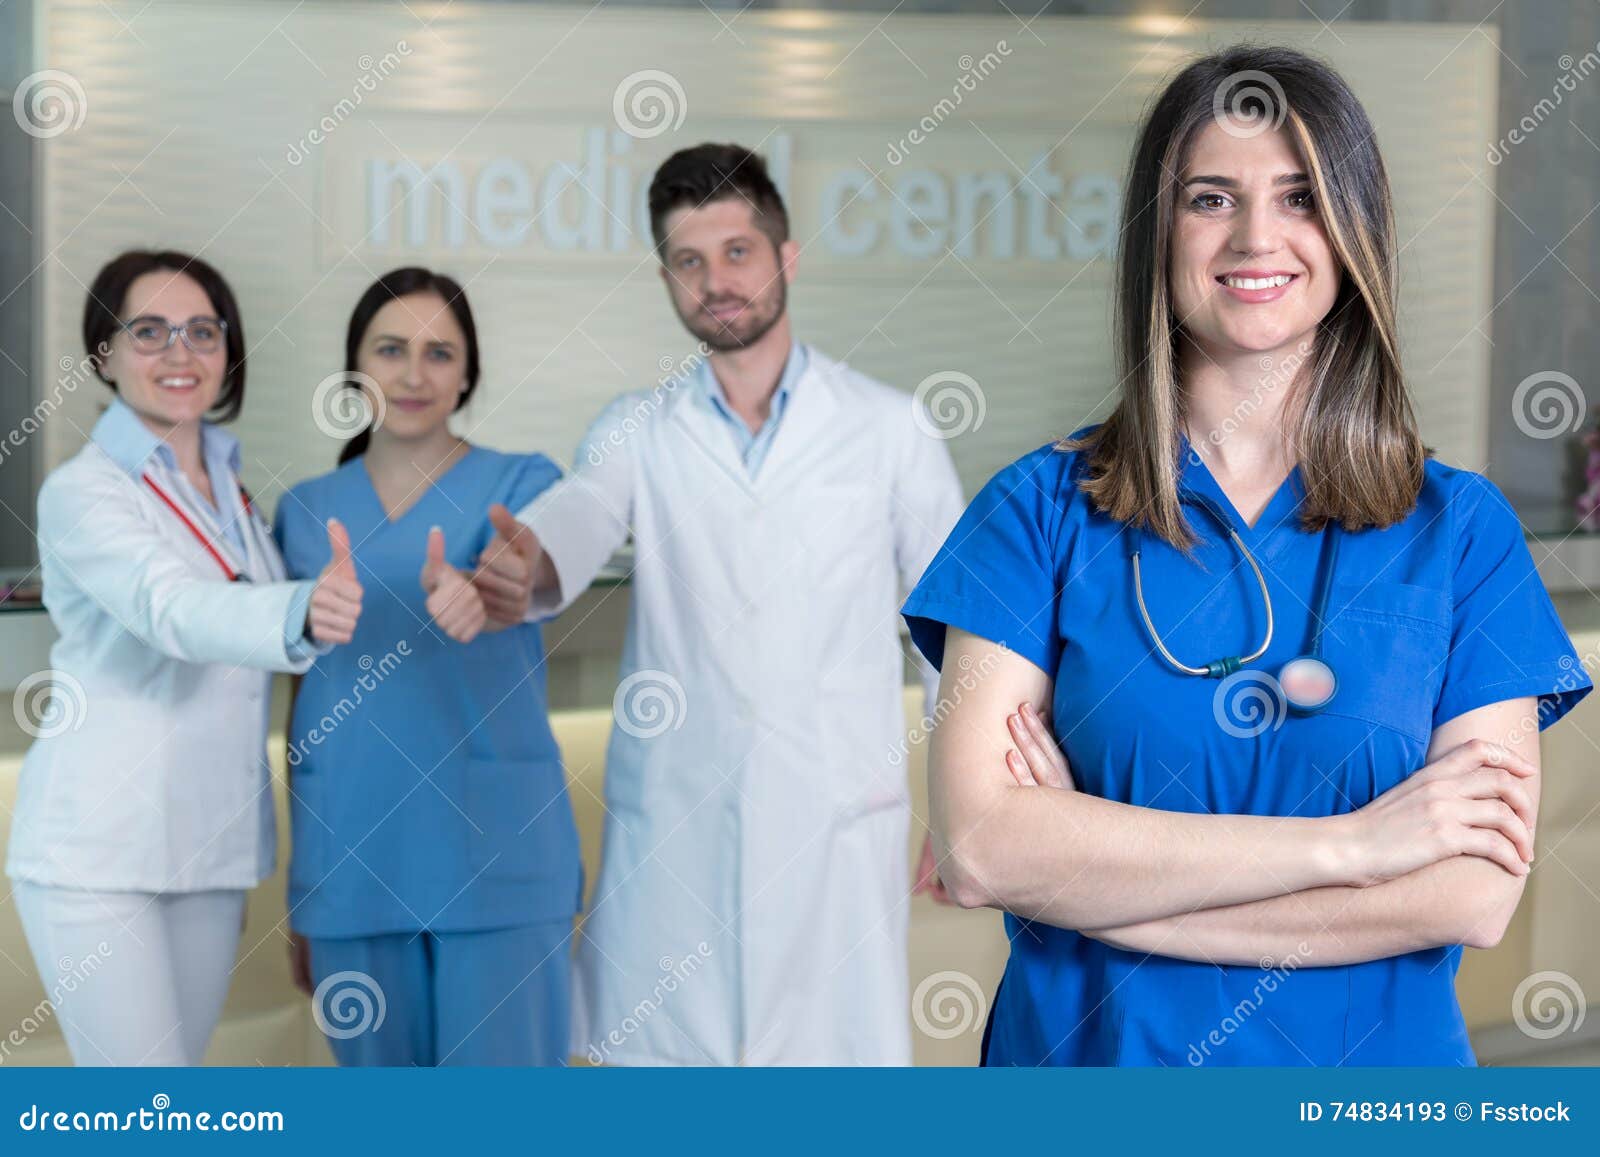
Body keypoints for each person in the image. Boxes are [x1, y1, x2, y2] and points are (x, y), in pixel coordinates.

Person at [902, 44, 1595, 1067]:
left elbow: (1469, 891)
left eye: (1301, 197)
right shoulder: (1037, 512)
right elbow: (982, 843)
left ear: (1354, 229)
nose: (1256, 236)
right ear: (1159, 233)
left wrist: (1102, 888)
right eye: (1211, 198)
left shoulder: (1459, 530)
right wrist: (1353, 848)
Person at [475, 143, 965, 1065]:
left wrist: (958, 798)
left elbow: (953, 632)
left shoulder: (888, 427)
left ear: (786, 256)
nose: (715, 282)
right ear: (666, 277)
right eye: (689, 261)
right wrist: (527, 562)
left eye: (737, 251)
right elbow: (582, 512)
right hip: (679, 823)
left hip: (834, 821)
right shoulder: (637, 427)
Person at [6, 250, 362, 1065]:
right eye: (150, 330)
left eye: (203, 331)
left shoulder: (232, 490)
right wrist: (301, 605)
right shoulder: (85, 490)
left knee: (176, 1104)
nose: (181, 352)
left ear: (227, 351)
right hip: (101, 853)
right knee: (146, 1114)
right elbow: (168, 608)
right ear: (105, 352)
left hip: (205, 850)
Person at [275, 267, 581, 1066]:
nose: (414, 373)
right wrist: (302, 886)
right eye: (391, 349)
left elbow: (536, 558)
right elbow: (301, 698)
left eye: (440, 352)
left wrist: (501, 582)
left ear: (468, 373)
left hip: (500, 862)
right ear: (355, 369)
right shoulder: (303, 509)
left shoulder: (521, 486)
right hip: (351, 861)